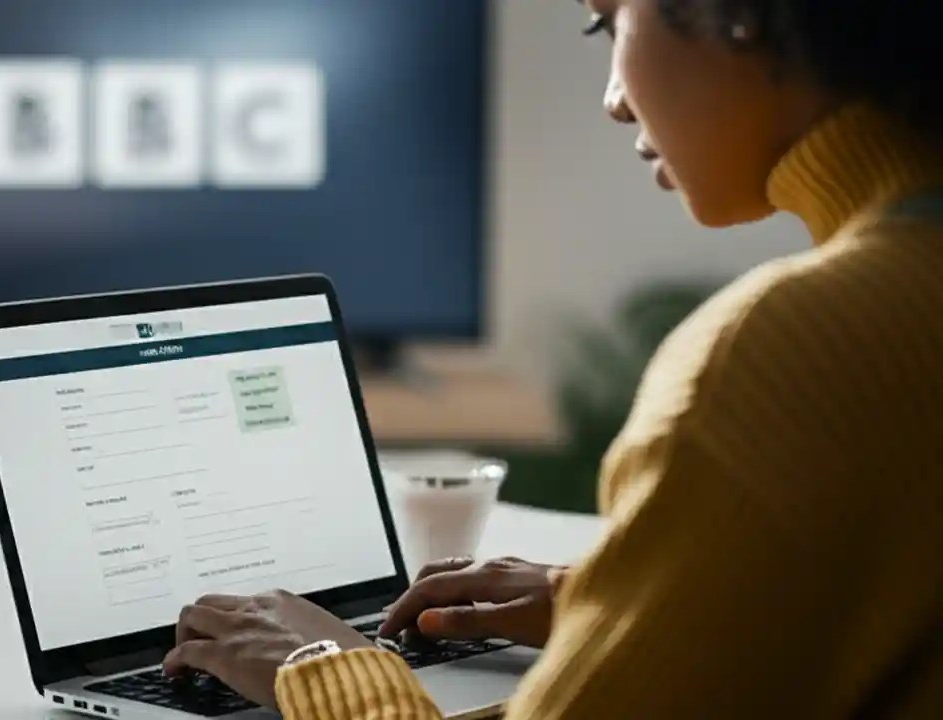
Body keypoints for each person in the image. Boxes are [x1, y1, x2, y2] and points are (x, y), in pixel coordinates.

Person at [161, 0, 943, 716]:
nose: (615, 100)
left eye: (608, 22)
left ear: (735, 13)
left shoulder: (790, 350)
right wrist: (626, 607)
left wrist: (323, 667)